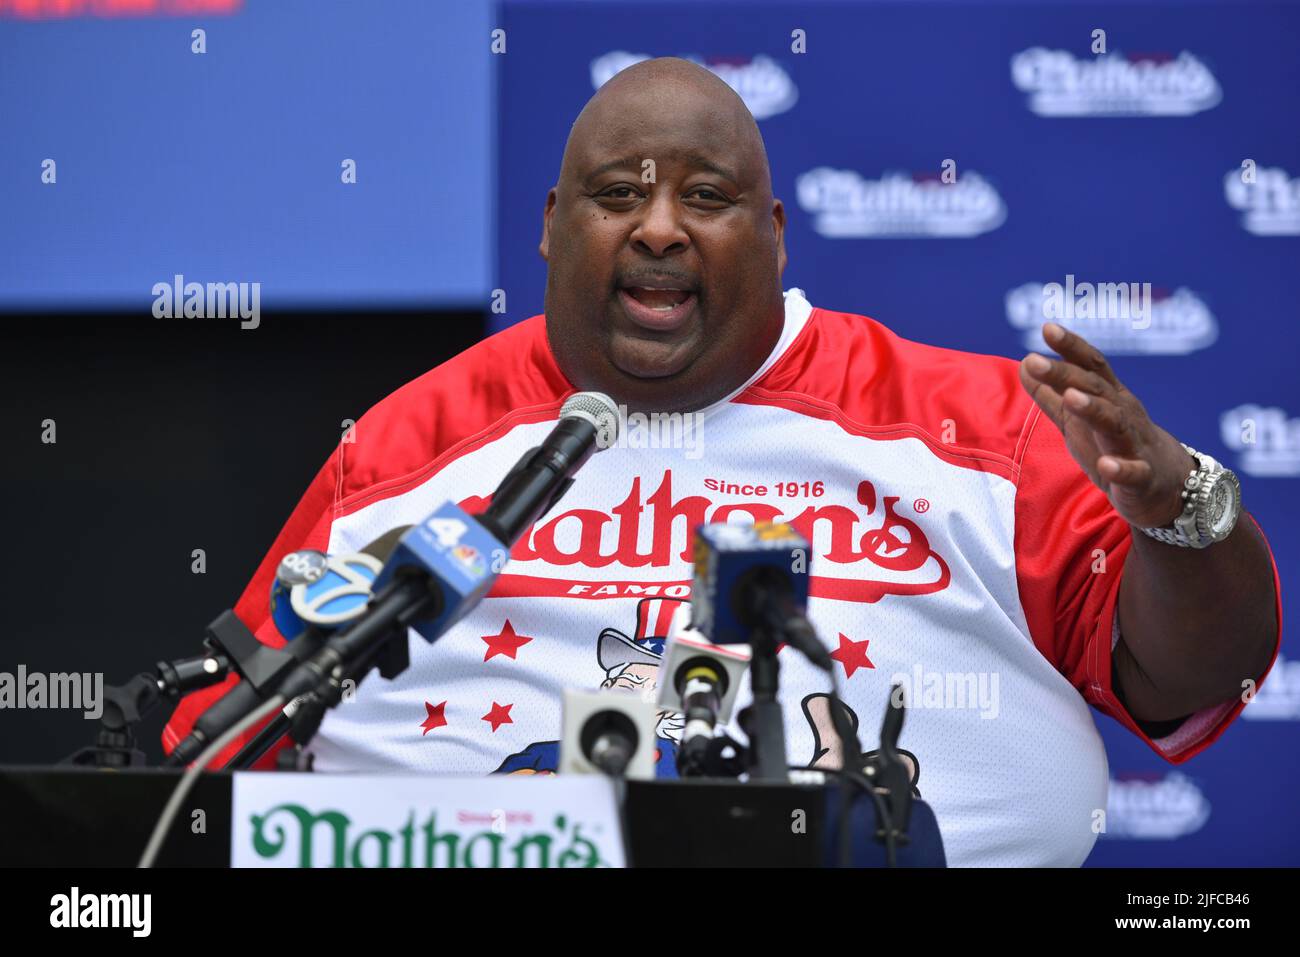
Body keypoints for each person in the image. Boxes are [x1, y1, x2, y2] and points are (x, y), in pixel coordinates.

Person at [165, 58, 1281, 866]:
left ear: (776, 233)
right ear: (552, 226)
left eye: (706, 197)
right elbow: (204, 772)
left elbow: (1196, 676)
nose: (659, 230)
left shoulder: (976, 424)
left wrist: (1182, 515)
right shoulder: (411, 442)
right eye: (618, 196)